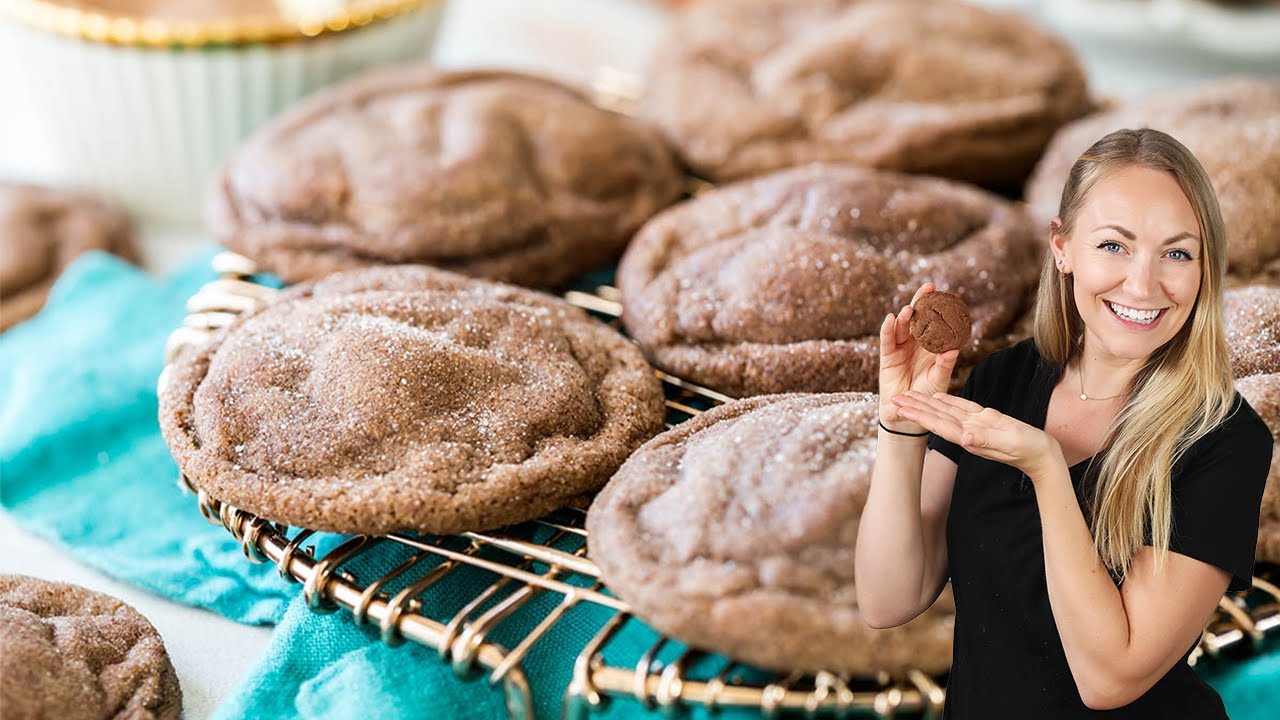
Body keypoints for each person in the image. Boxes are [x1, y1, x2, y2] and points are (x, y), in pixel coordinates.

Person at [854, 127, 1274, 718]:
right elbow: (887, 598)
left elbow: (1110, 680)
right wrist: (902, 422)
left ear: (1205, 269)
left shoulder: (1223, 441)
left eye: (1177, 253)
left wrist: (1048, 469)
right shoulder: (1004, 380)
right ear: (1062, 247)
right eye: (1113, 246)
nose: (1143, 284)